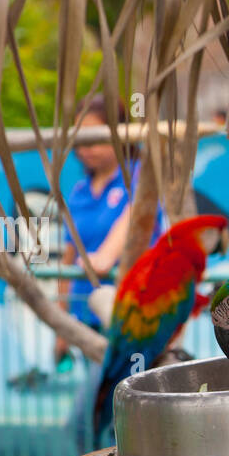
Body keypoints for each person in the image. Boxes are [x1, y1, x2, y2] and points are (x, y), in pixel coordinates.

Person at [54, 96, 164, 366]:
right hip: (87, 315)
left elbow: (134, 217)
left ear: (121, 135)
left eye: (96, 137)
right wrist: (61, 327)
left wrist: (104, 257)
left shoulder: (141, 176)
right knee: (102, 396)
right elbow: (69, 255)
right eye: (81, 139)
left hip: (135, 313)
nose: (86, 148)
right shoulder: (79, 192)